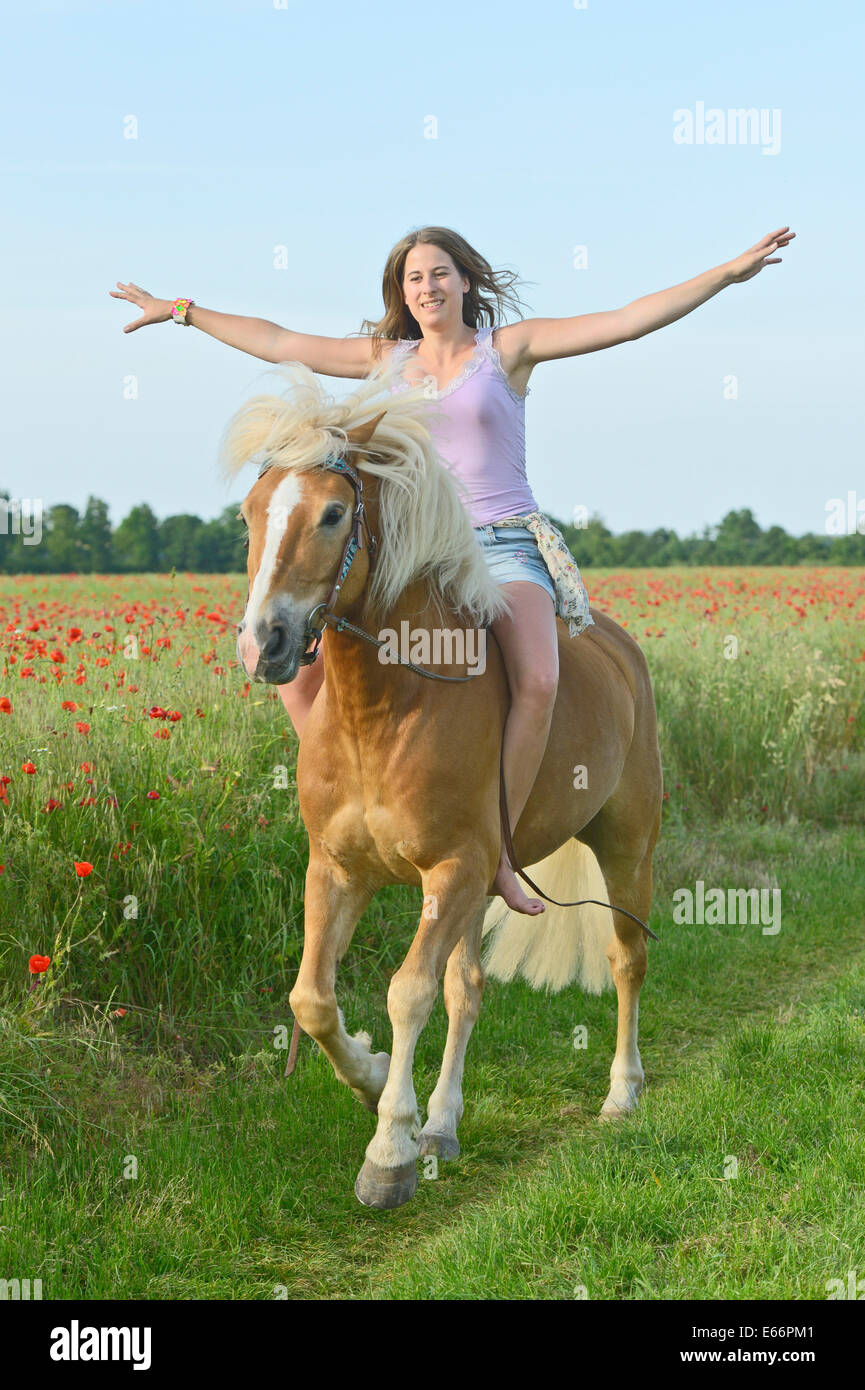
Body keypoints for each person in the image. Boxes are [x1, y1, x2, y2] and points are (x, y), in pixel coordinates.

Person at [110, 222, 794, 913]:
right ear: (401, 293)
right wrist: (180, 311)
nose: (427, 287)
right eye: (413, 278)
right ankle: (362, 799)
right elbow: (279, 340)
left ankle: (500, 851)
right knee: (296, 673)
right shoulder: (386, 358)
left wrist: (724, 273)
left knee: (538, 677)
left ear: (465, 280)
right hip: (416, 553)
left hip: (502, 544)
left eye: (439, 273)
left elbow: (625, 320)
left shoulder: (508, 350)